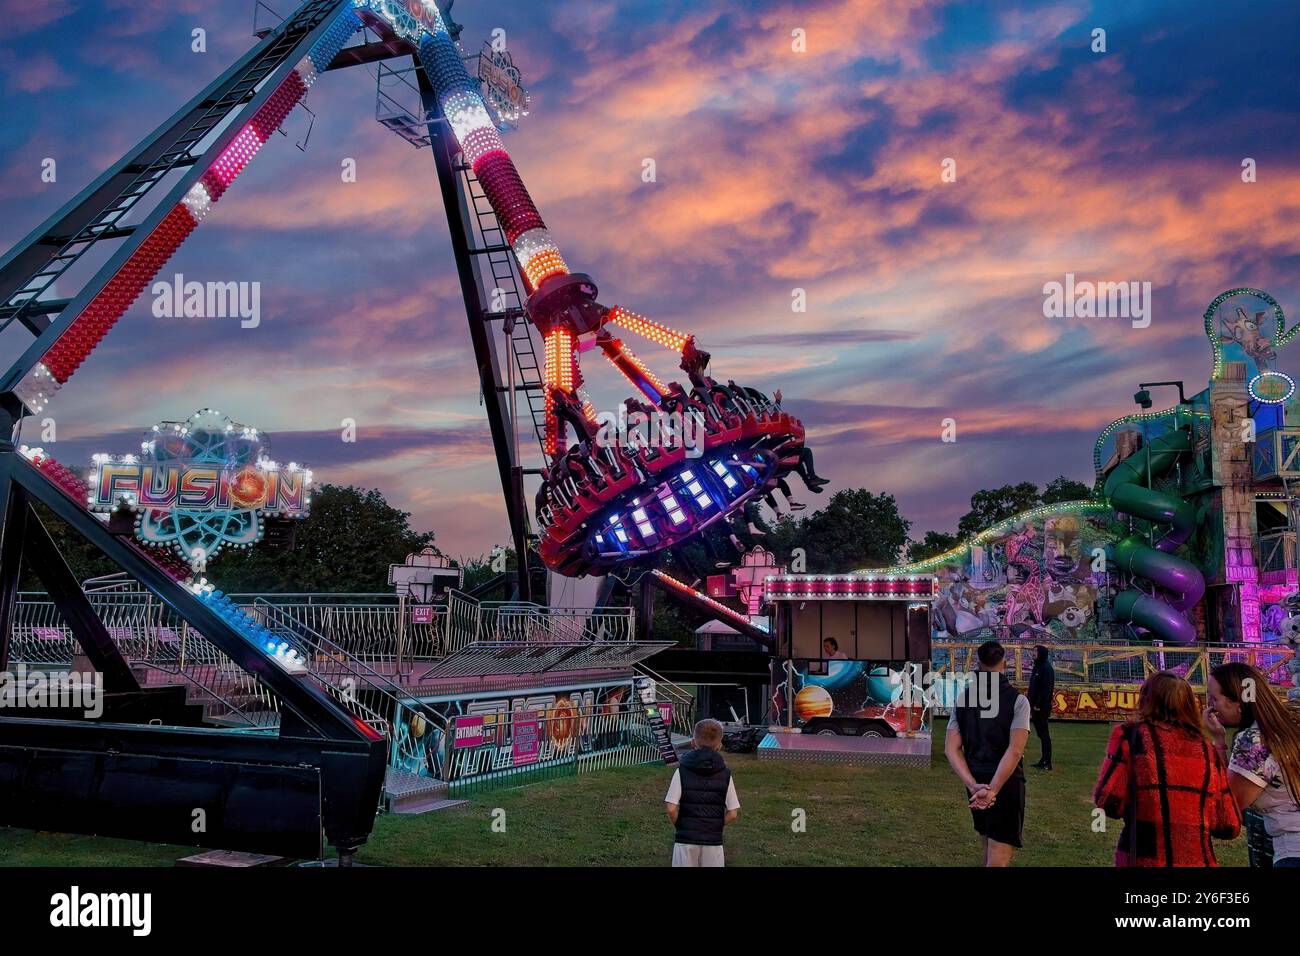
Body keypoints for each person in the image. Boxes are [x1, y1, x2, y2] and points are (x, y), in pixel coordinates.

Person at [1093, 671, 1241, 866]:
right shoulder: (1207, 749)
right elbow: (1228, 824)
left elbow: (1109, 800)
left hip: (1144, 859)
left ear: (1146, 698)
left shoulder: (1130, 736)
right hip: (1198, 860)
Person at [1205, 662, 1300, 867]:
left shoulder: (1255, 741)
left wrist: (1219, 742)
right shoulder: (1288, 725)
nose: (1210, 707)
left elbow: (1229, 806)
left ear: (1238, 702)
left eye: (1214, 698)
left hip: (1293, 848)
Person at [944, 640, 1030, 866]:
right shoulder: (1019, 701)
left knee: (988, 848)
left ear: (978, 664)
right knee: (998, 854)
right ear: (1005, 664)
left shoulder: (963, 699)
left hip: (976, 781)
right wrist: (994, 789)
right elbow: (1015, 750)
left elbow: (951, 749)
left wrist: (973, 785)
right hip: (1005, 782)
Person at [664, 718, 740, 866]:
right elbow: (733, 813)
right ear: (719, 745)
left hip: (685, 840)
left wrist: (681, 826)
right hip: (713, 841)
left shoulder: (682, 770)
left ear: (693, 742)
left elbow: (671, 807)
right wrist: (715, 826)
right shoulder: (725, 774)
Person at [1027, 645, 1055, 770]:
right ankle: (1043, 760)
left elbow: (1046, 689)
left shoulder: (1046, 668)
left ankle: (1047, 762)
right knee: (1041, 733)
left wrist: (1038, 704)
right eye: (1033, 651)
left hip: (1041, 707)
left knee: (1044, 733)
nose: (1033, 653)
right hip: (1035, 706)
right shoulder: (1037, 667)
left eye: (1035, 651)